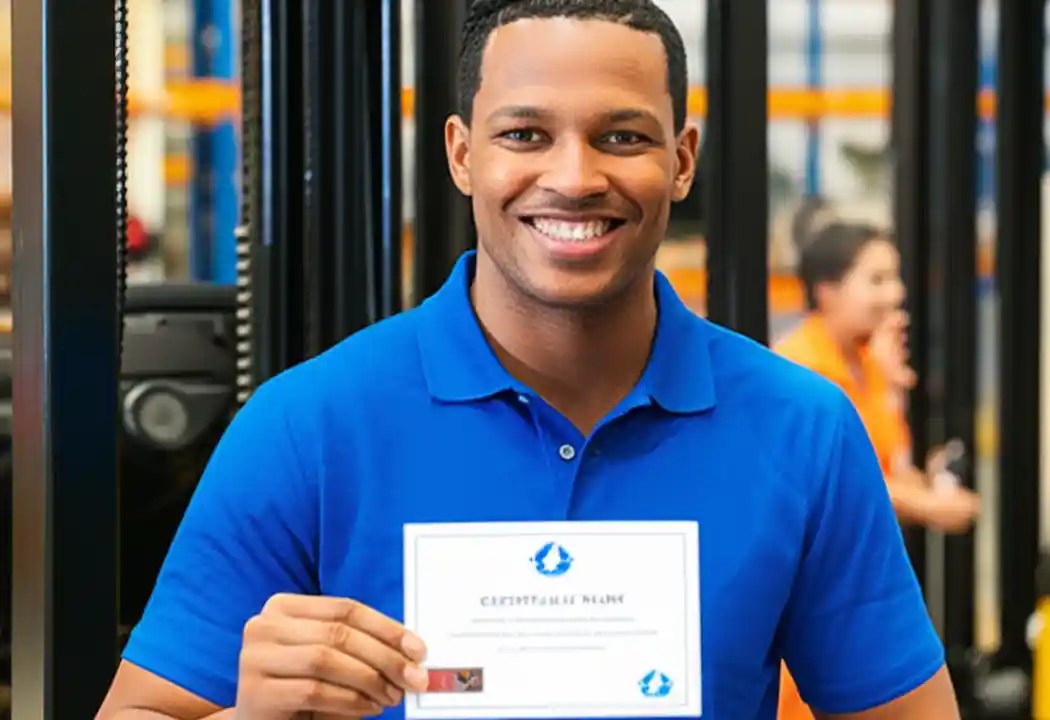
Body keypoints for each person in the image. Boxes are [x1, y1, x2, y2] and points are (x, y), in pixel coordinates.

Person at [96, 1, 960, 718]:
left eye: (623, 137)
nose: (576, 176)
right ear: (463, 155)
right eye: (525, 134)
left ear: (683, 161)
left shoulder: (801, 431)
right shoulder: (306, 428)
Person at [772, 221, 981, 720]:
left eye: (895, 278)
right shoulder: (801, 372)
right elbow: (836, 485)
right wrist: (928, 505)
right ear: (828, 291)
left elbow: (887, 466)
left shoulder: (868, 361)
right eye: (878, 280)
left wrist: (893, 391)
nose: (896, 294)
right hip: (813, 611)